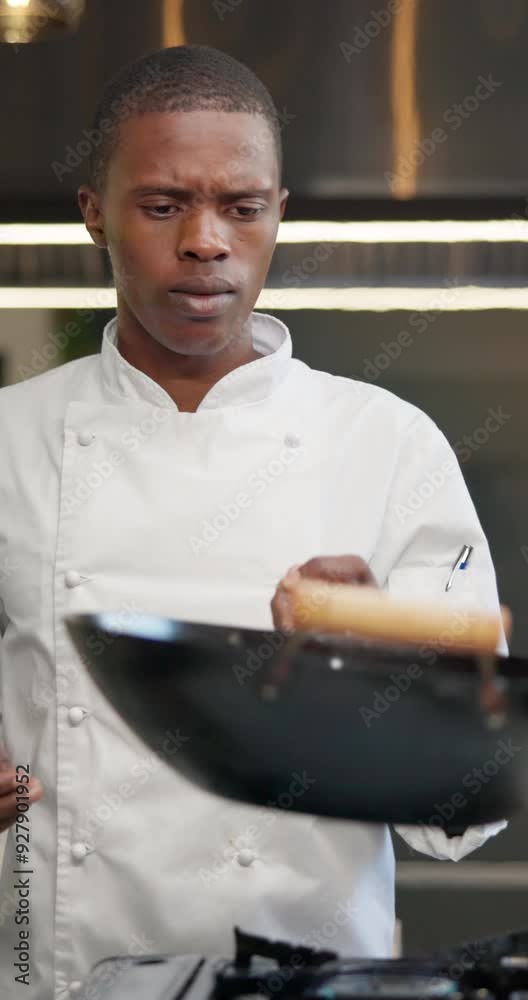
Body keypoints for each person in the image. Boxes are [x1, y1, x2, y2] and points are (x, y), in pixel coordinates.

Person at [0, 45, 506, 1000]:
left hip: (305, 985)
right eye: (160, 206)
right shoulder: (10, 440)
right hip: (49, 977)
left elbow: (463, 812)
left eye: (242, 206)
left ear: (279, 214)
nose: (204, 241)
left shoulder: (390, 445)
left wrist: (385, 671)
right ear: (92, 212)